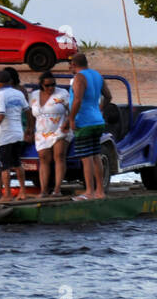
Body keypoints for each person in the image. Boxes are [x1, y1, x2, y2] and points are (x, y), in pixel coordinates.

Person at [65, 53, 112, 200]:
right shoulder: (98, 75)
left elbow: (77, 100)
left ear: (74, 65)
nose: (69, 68)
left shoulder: (79, 77)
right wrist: (100, 109)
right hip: (97, 120)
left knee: (86, 158)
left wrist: (71, 119)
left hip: (84, 121)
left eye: (70, 65)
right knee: (95, 155)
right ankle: (100, 191)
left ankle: (89, 192)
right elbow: (108, 96)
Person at [0, 68, 29, 200]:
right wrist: (30, 128)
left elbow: (0, 115)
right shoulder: (19, 93)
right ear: (10, 81)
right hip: (18, 133)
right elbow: (28, 111)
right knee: (17, 164)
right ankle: (22, 192)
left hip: (5, 135)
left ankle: (8, 194)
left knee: (4, 166)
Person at [31, 71, 71, 196]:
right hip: (42, 132)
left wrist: (68, 122)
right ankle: (43, 190)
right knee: (43, 159)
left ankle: (57, 189)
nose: (51, 87)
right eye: (47, 85)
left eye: (53, 84)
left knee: (59, 155)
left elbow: (72, 110)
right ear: (42, 85)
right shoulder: (34, 95)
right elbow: (31, 115)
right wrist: (30, 130)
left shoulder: (62, 93)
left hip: (60, 128)